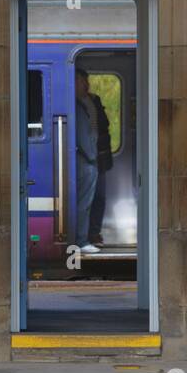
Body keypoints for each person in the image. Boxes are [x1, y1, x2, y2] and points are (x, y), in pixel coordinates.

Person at [73, 68, 100, 254]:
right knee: (84, 202)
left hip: (85, 160)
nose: (87, 85)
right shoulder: (78, 107)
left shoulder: (83, 104)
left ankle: (82, 238)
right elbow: (84, 138)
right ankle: (81, 241)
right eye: (83, 81)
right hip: (85, 161)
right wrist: (92, 159)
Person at [88, 89, 112, 246]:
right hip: (84, 157)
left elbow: (105, 124)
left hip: (99, 157)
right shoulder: (75, 103)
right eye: (83, 81)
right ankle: (85, 235)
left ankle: (94, 232)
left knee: (100, 196)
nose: (87, 85)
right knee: (85, 199)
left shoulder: (94, 100)